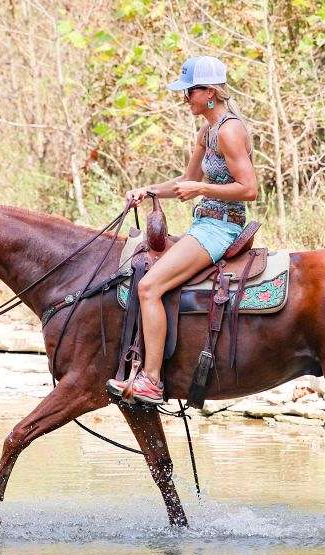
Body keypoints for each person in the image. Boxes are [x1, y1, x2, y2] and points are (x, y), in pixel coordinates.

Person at [107, 55, 258, 404]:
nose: (185, 98)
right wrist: (148, 191)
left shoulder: (231, 130)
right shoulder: (208, 130)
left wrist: (203, 190)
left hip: (222, 227)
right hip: (204, 222)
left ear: (210, 92)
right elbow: (187, 181)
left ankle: (152, 380)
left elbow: (248, 188)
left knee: (148, 287)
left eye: (189, 91)